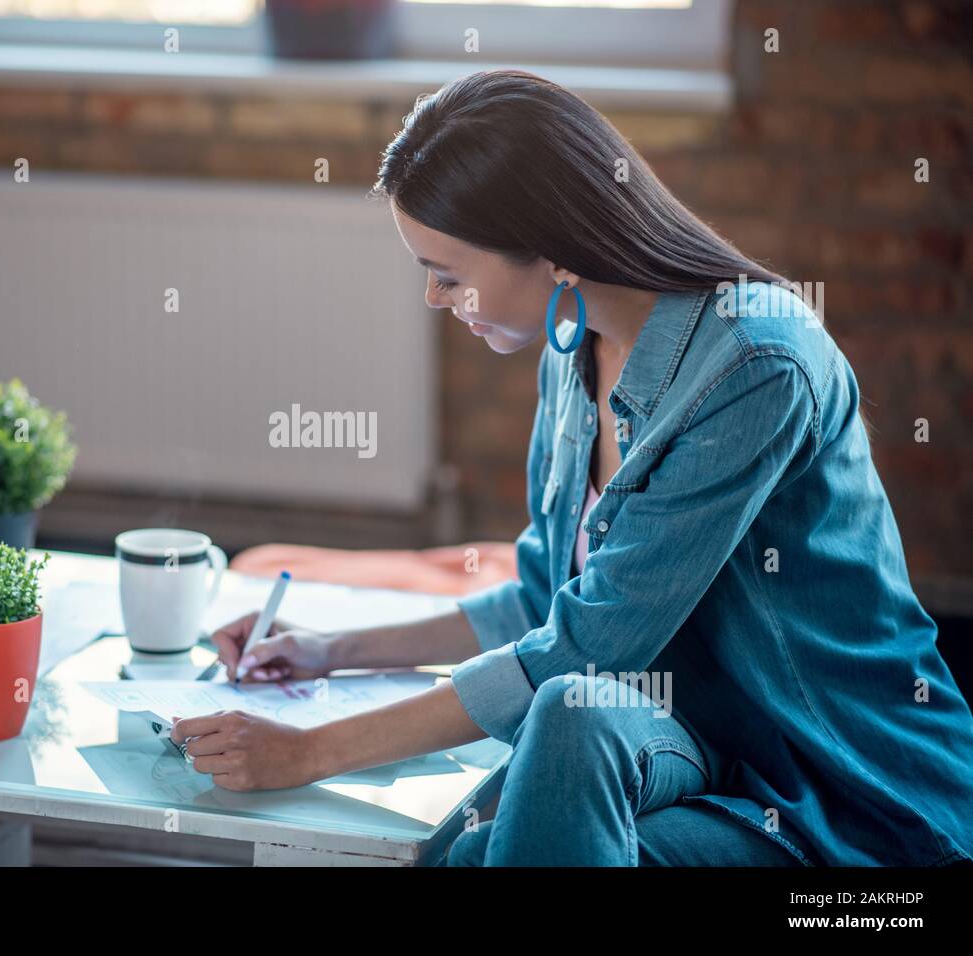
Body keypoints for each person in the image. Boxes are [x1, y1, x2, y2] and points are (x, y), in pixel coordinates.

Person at [170, 70, 973, 866]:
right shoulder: (573, 343)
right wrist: (328, 650)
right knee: (562, 736)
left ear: (553, 252)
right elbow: (541, 594)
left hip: (831, 784)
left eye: (448, 273)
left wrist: (307, 751)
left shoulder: (754, 366)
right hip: (696, 741)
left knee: (537, 760)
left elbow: (584, 648)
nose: (433, 298)